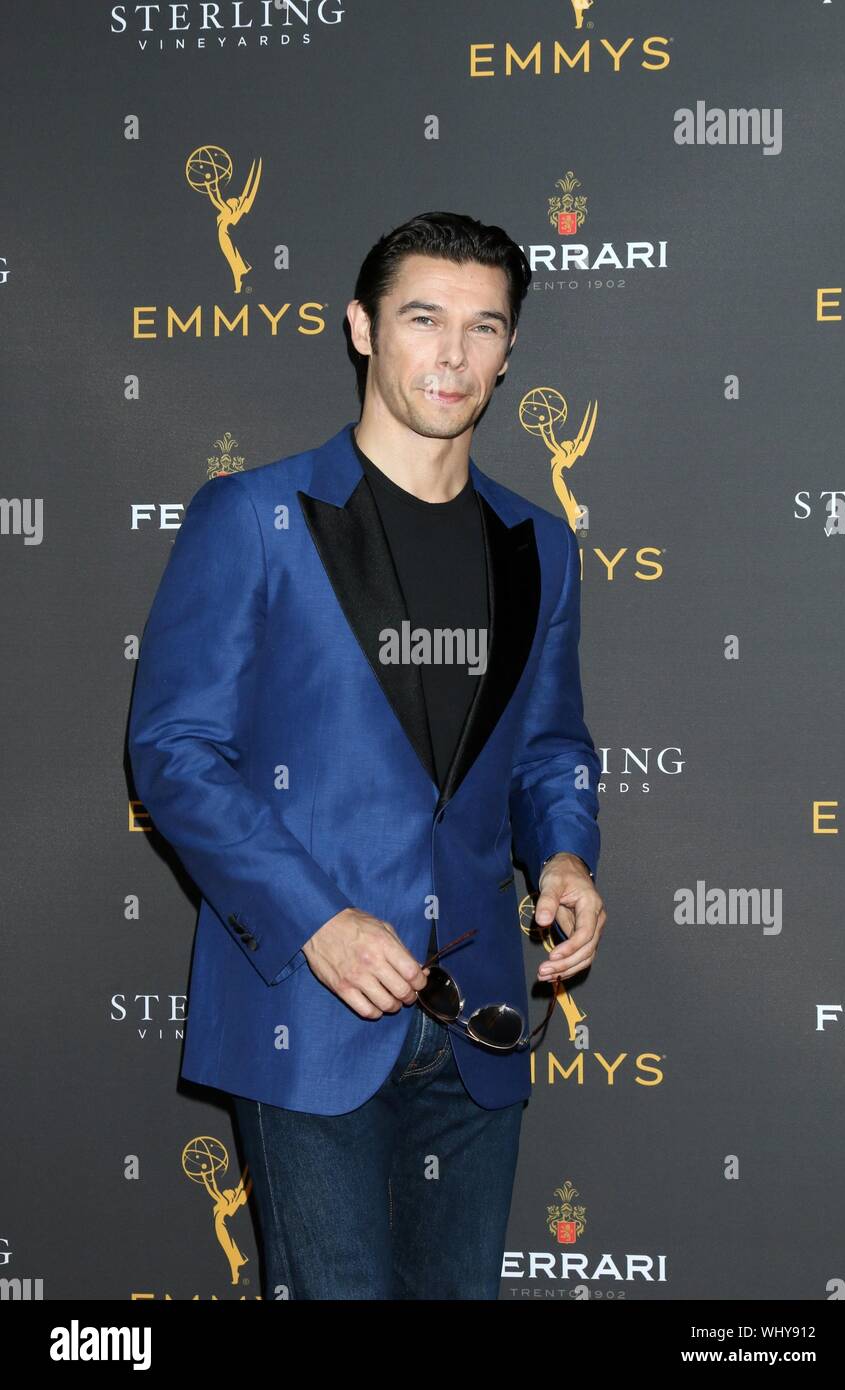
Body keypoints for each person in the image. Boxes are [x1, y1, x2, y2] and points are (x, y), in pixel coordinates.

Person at [127, 210, 606, 1300]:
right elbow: (176, 751)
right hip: (309, 1009)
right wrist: (316, 920)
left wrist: (567, 858)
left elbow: (548, 746)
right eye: (422, 318)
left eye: (482, 327)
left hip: (477, 1022)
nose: (451, 354)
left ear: (508, 350)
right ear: (360, 326)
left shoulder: (538, 544)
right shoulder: (254, 517)